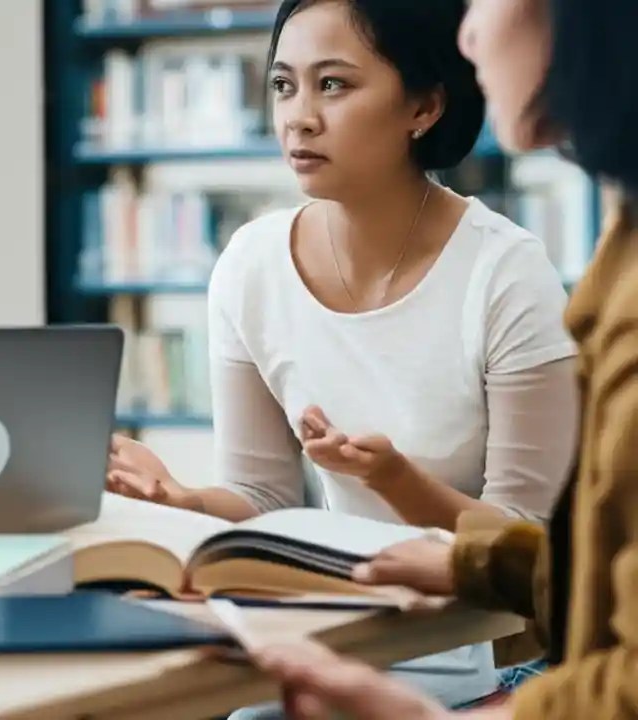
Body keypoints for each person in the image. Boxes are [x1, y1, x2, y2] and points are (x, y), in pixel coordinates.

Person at [104, 0, 578, 714]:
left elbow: (526, 548)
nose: (298, 116)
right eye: (283, 85)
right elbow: (262, 498)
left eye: (333, 85)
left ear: (424, 105)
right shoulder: (251, 265)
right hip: (338, 629)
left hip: (488, 659)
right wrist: (186, 501)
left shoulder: (506, 274)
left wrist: (396, 481)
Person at [251, 0, 638, 717]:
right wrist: (473, 562)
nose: (466, 34)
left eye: (486, 0)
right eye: (283, 85)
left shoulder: (527, 272)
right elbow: (605, 569)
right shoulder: (621, 252)